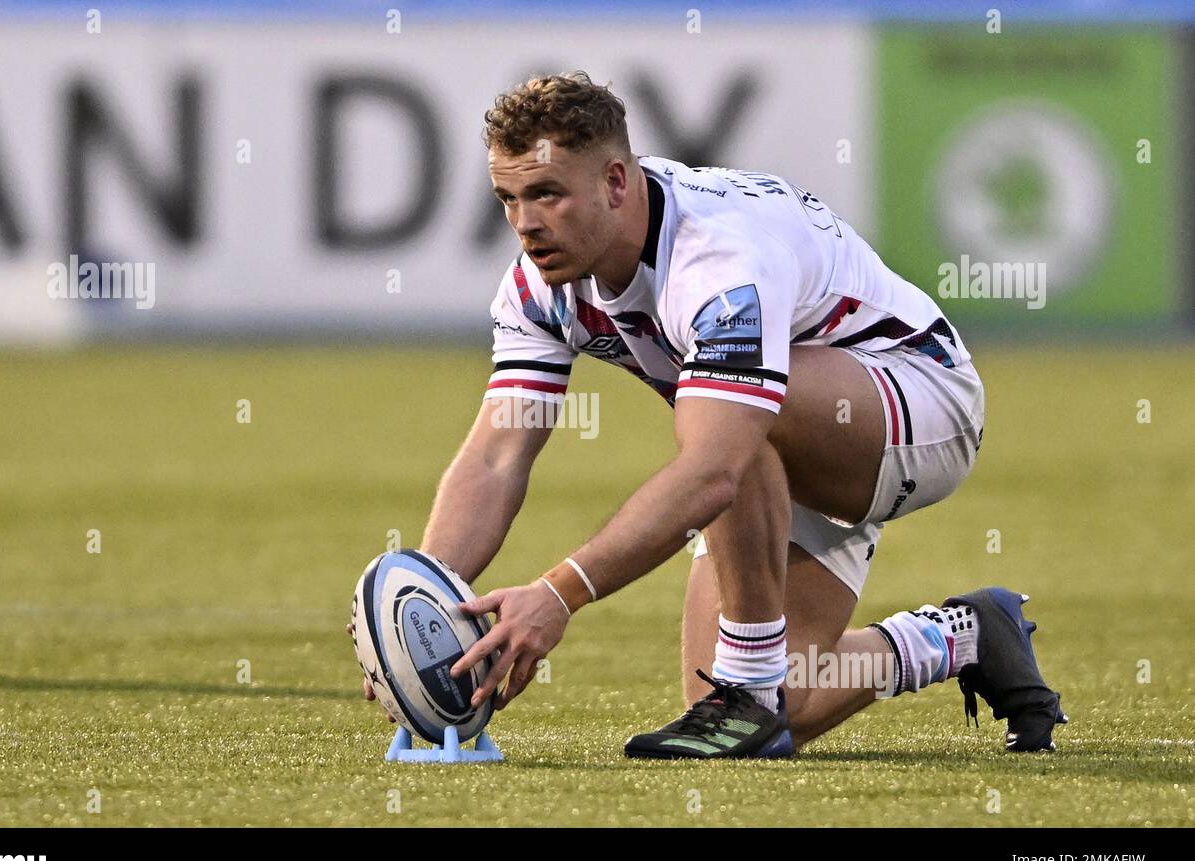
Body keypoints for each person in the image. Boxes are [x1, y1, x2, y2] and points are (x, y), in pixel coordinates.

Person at [360, 71, 1065, 757]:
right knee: (760, 703)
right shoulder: (539, 285)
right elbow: (498, 455)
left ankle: (749, 689)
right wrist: (423, 609)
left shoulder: (717, 257)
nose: (525, 223)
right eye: (507, 199)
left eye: (546, 193)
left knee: (728, 435)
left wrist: (556, 595)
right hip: (781, 434)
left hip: (917, 403)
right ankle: (963, 635)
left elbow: (713, 470)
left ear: (615, 181)